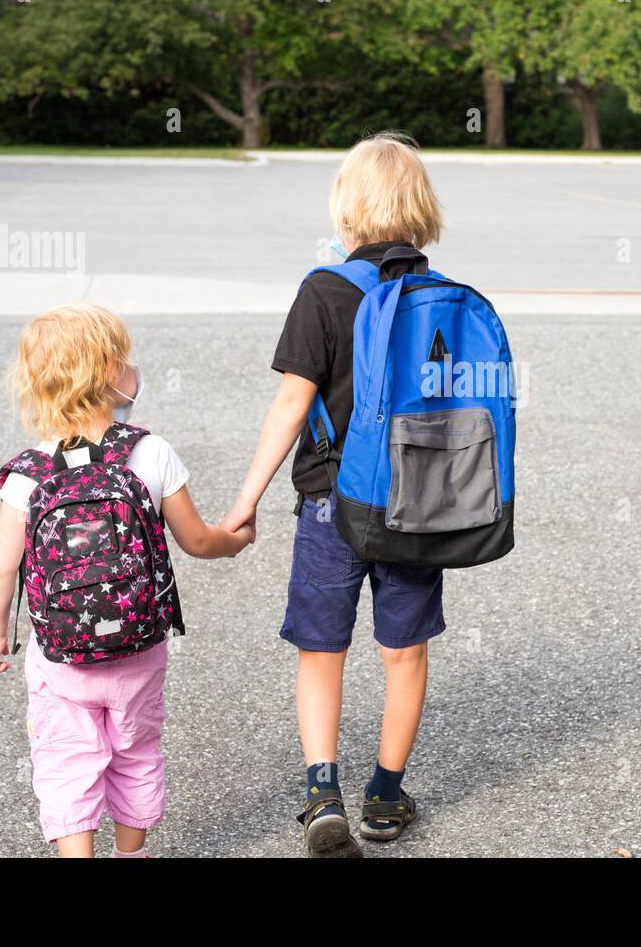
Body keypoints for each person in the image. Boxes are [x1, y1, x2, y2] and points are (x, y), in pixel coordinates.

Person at [223, 131, 446, 857]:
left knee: (322, 651)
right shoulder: (437, 296)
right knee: (403, 651)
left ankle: (324, 792)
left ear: (347, 208)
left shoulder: (323, 290)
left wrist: (246, 499)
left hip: (330, 505)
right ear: (420, 207)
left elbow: (292, 405)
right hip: (418, 506)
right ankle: (385, 797)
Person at [0, 302, 253, 857]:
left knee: (66, 759)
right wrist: (236, 539)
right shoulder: (149, 453)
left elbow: (1, 567)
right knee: (135, 751)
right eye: (126, 357)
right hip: (138, 647)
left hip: (61, 658)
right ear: (109, 372)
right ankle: (131, 853)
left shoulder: (28, 472)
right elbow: (198, 541)